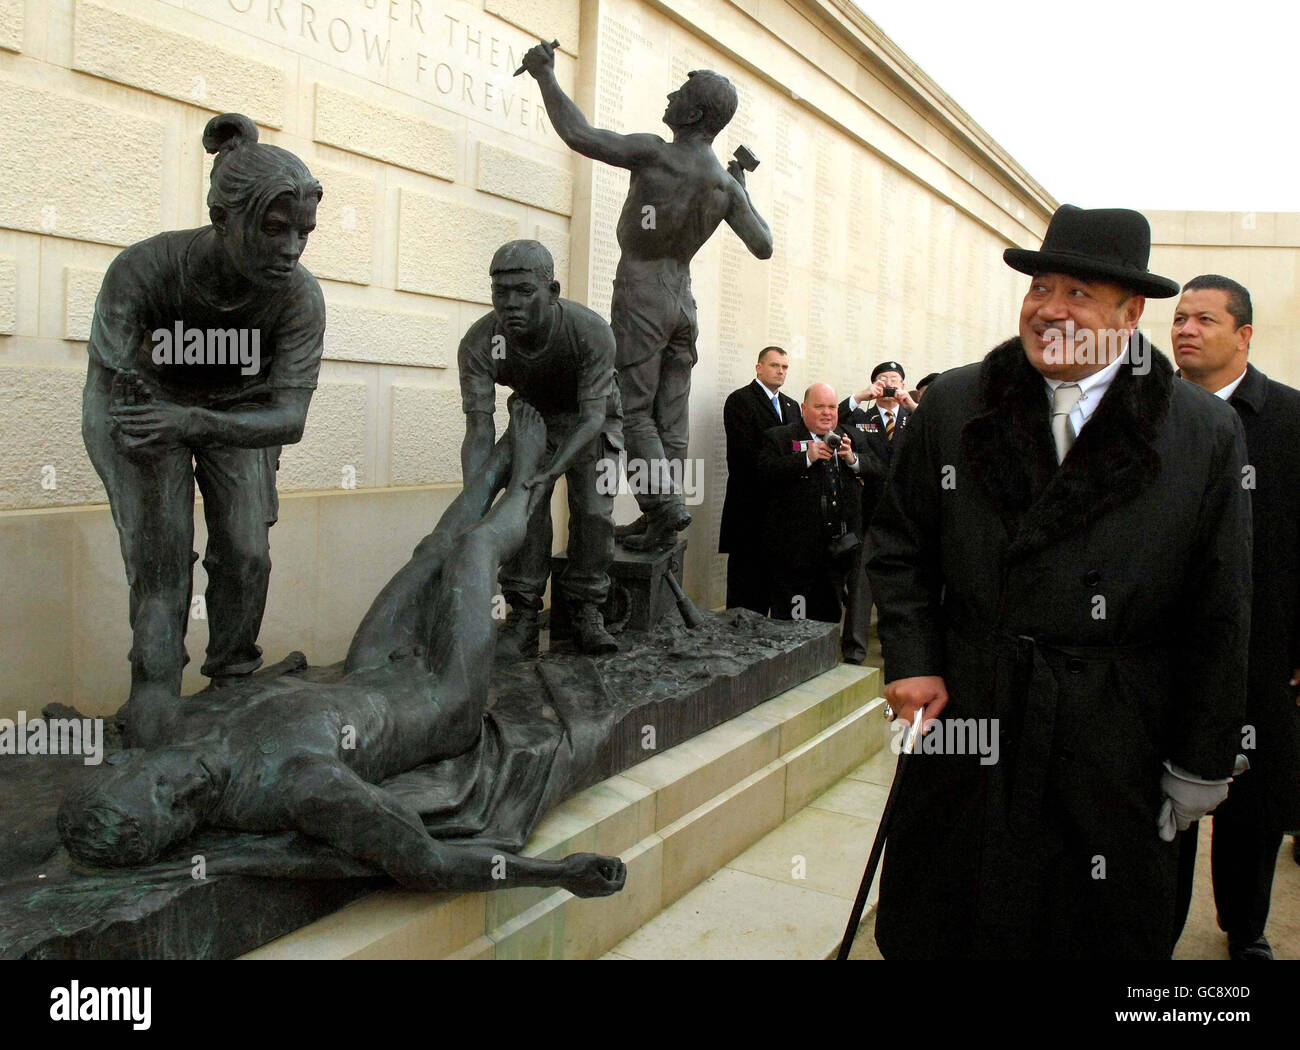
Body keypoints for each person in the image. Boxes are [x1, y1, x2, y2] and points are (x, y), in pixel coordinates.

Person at [867, 205, 1253, 958]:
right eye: (1040, 287)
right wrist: (912, 658)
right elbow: (900, 544)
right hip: (972, 712)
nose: (1049, 309)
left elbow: (1222, 605)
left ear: (1130, 311)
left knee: (1087, 930)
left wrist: (1200, 760)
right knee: (946, 921)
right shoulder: (955, 402)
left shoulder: (1202, 432)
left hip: (1116, 734)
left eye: (1077, 292)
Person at [58, 401, 628, 901]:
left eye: (162, 784)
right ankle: (534, 469)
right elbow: (425, 862)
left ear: (132, 764)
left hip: (371, 670)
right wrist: (555, 872)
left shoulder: (164, 731)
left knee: (432, 552)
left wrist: (66, 728)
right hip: (442, 696)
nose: (187, 789)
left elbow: (132, 706)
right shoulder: (301, 788)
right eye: (179, 814)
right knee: (475, 550)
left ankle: (503, 452)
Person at [82, 113, 326, 749]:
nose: (292, 248)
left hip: (233, 414)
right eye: (275, 229)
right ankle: (155, 685)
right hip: (142, 408)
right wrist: (157, 419)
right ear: (224, 220)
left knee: (246, 549)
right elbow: (121, 396)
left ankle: (233, 676)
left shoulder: (298, 297)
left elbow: (290, 420)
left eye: (304, 232)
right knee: (162, 554)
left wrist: (196, 419)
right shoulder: (143, 271)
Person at [521, 41, 773, 552]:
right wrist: (740, 186)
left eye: (680, 92)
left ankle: (663, 507)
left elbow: (579, 134)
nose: (670, 95)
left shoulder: (656, 152)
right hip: (684, 301)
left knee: (631, 411)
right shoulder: (724, 185)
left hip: (643, 291)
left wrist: (545, 74)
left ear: (695, 111)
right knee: (668, 419)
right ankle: (660, 513)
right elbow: (764, 245)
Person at [1170, 274, 1300, 960]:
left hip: (1261, 650)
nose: (1185, 329)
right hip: (1161, 653)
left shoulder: (1290, 420)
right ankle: (1151, 922)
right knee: (1162, 800)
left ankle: (1245, 929)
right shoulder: (1145, 413)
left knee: (1253, 806)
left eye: (1204, 320)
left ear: (1244, 335)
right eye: (1179, 318)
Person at [458, 240, 622, 660]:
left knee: (594, 509)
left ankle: (587, 609)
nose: (510, 304)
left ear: (552, 291)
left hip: (592, 417)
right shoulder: (480, 342)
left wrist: (553, 471)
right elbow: (479, 427)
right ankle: (523, 617)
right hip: (532, 419)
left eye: (524, 292)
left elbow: (591, 418)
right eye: (501, 292)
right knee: (525, 509)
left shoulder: (590, 331)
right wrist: (475, 494)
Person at [758, 383, 877, 625]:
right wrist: (805, 458)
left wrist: (853, 460)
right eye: (819, 406)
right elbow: (764, 473)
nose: (827, 412)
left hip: (837, 553)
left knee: (828, 619)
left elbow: (879, 469)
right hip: (794, 554)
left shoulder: (851, 436)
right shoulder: (780, 437)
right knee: (791, 623)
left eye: (832, 407)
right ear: (804, 408)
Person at [837, 362, 916, 664]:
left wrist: (910, 403)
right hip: (868, 512)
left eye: (895, 380)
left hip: (905, 516)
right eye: (883, 381)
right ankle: (855, 652)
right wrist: (861, 395)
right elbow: (834, 417)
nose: (890, 386)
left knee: (901, 586)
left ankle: (897, 651)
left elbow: (938, 433)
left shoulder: (913, 416)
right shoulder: (862, 417)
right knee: (860, 586)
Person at [719, 346, 800, 614]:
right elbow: (744, 455)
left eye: (785, 367)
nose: (780, 371)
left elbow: (797, 447)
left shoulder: (791, 406)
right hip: (749, 508)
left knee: (771, 587)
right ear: (759, 367)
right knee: (745, 587)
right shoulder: (740, 400)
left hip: (780, 513)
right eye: (775, 365)